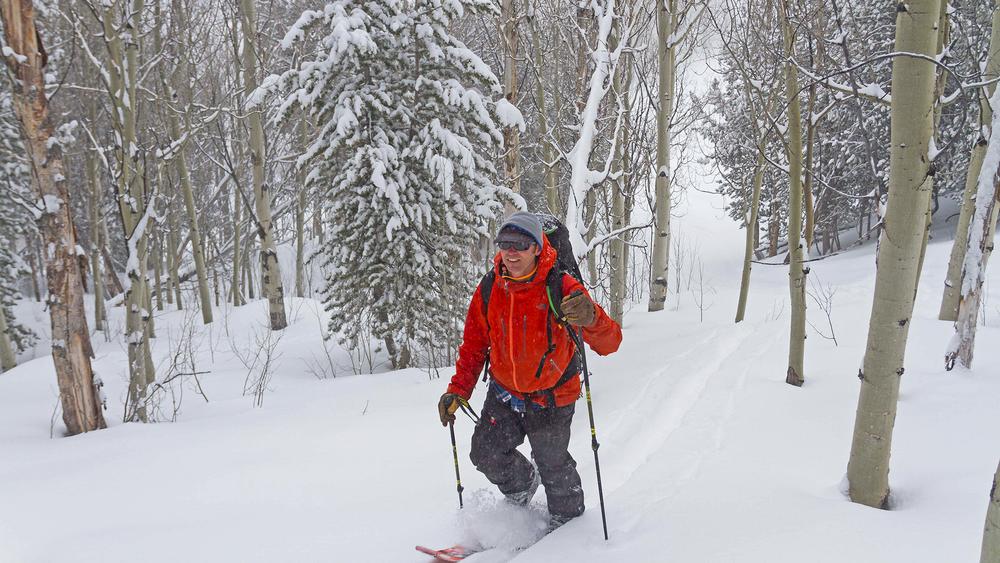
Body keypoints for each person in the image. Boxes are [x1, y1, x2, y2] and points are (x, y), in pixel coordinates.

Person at [437, 211, 622, 531]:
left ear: (537, 247)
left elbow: (610, 343)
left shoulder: (561, 286)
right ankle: (523, 489)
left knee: (552, 463)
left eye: (521, 244)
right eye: (505, 243)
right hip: (505, 393)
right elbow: (474, 346)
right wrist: (458, 390)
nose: (511, 251)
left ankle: (570, 527)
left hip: (553, 396)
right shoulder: (489, 288)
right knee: (485, 453)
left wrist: (590, 317)